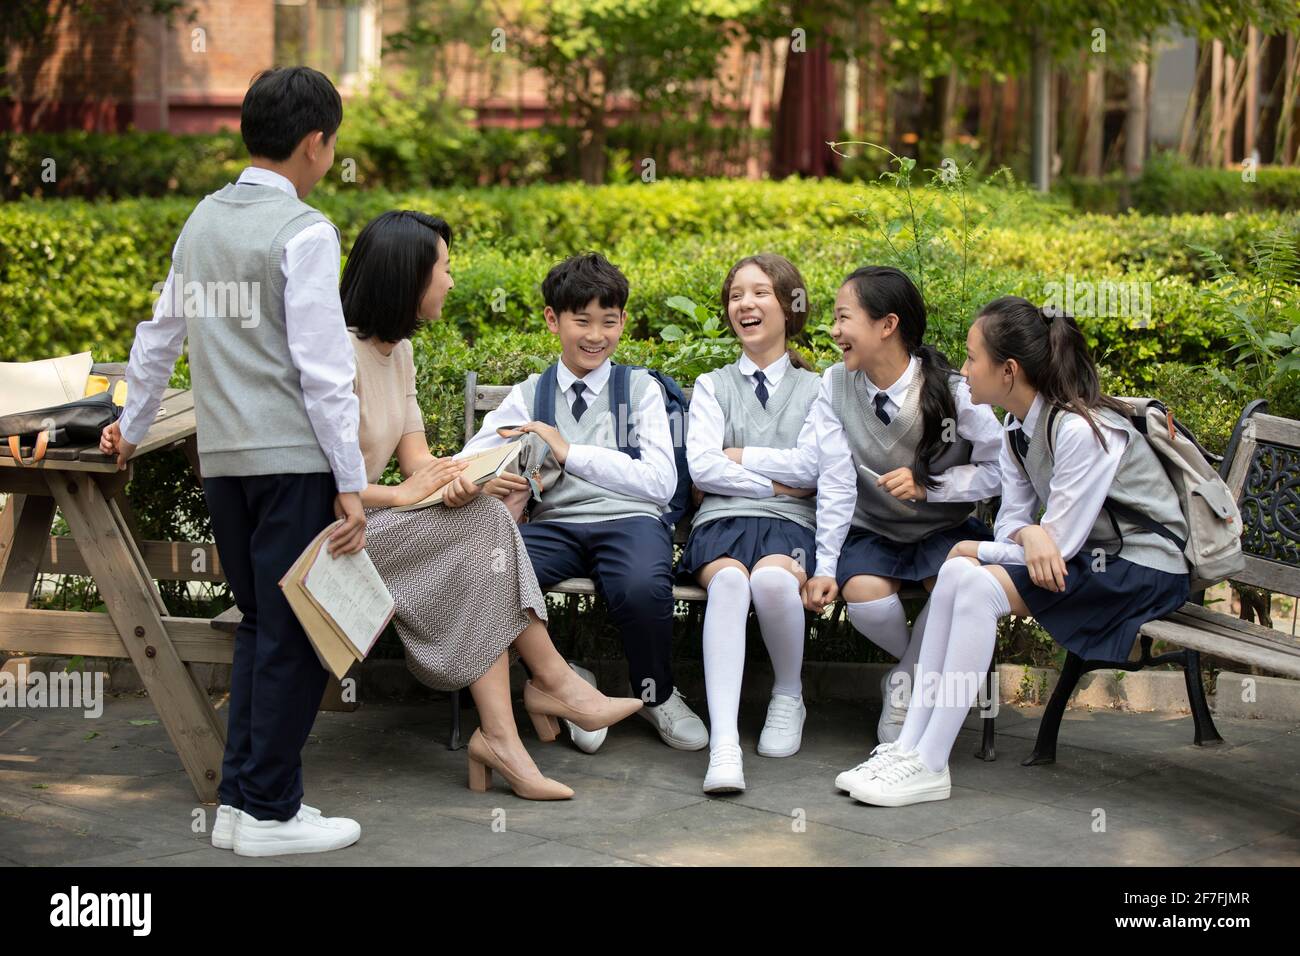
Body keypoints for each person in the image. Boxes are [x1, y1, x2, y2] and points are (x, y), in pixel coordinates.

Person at [102, 67, 366, 857]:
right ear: (316, 144)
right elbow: (325, 373)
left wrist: (131, 425)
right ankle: (269, 815)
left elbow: (158, 339)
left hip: (223, 462)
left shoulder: (202, 223)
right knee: (293, 637)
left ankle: (245, 805)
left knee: (263, 626)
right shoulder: (306, 232)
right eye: (332, 145)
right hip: (294, 463)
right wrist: (351, 482)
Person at [339, 211, 642, 801]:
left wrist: (466, 479)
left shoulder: (397, 354)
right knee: (483, 536)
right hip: (335, 531)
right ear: (408, 277)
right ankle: (547, 686)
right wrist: (400, 495)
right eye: (444, 269)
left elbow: (420, 463)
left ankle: (505, 733)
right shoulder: (338, 357)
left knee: (481, 522)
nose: (451, 281)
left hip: (374, 522)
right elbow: (314, 479)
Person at [844, 296, 1191, 807]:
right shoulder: (1015, 429)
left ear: (1008, 371)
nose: (962, 372)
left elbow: (1060, 542)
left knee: (972, 579)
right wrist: (1019, 538)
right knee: (962, 571)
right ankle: (909, 748)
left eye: (971, 358)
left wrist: (1014, 540)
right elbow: (1017, 525)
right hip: (1087, 558)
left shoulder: (1079, 429)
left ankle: (931, 762)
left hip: (1142, 568)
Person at [455, 253, 710, 753]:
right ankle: (564, 680)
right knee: (491, 570)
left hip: (631, 519)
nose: (596, 335)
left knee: (640, 586)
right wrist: (490, 480)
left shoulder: (638, 389)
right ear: (553, 320)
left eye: (609, 322)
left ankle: (655, 692)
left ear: (623, 323)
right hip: (554, 524)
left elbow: (659, 483)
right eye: (582, 321)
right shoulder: (531, 395)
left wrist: (570, 452)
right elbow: (472, 458)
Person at [679, 254, 819, 794]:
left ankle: (788, 695)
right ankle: (724, 745)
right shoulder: (713, 385)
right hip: (722, 520)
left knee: (774, 579)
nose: (746, 304)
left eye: (760, 293)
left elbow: (812, 469)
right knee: (734, 581)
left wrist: (738, 458)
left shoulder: (818, 387)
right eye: (736, 294)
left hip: (791, 525)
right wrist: (777, 482)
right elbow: (703, 467)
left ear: (789, 305)